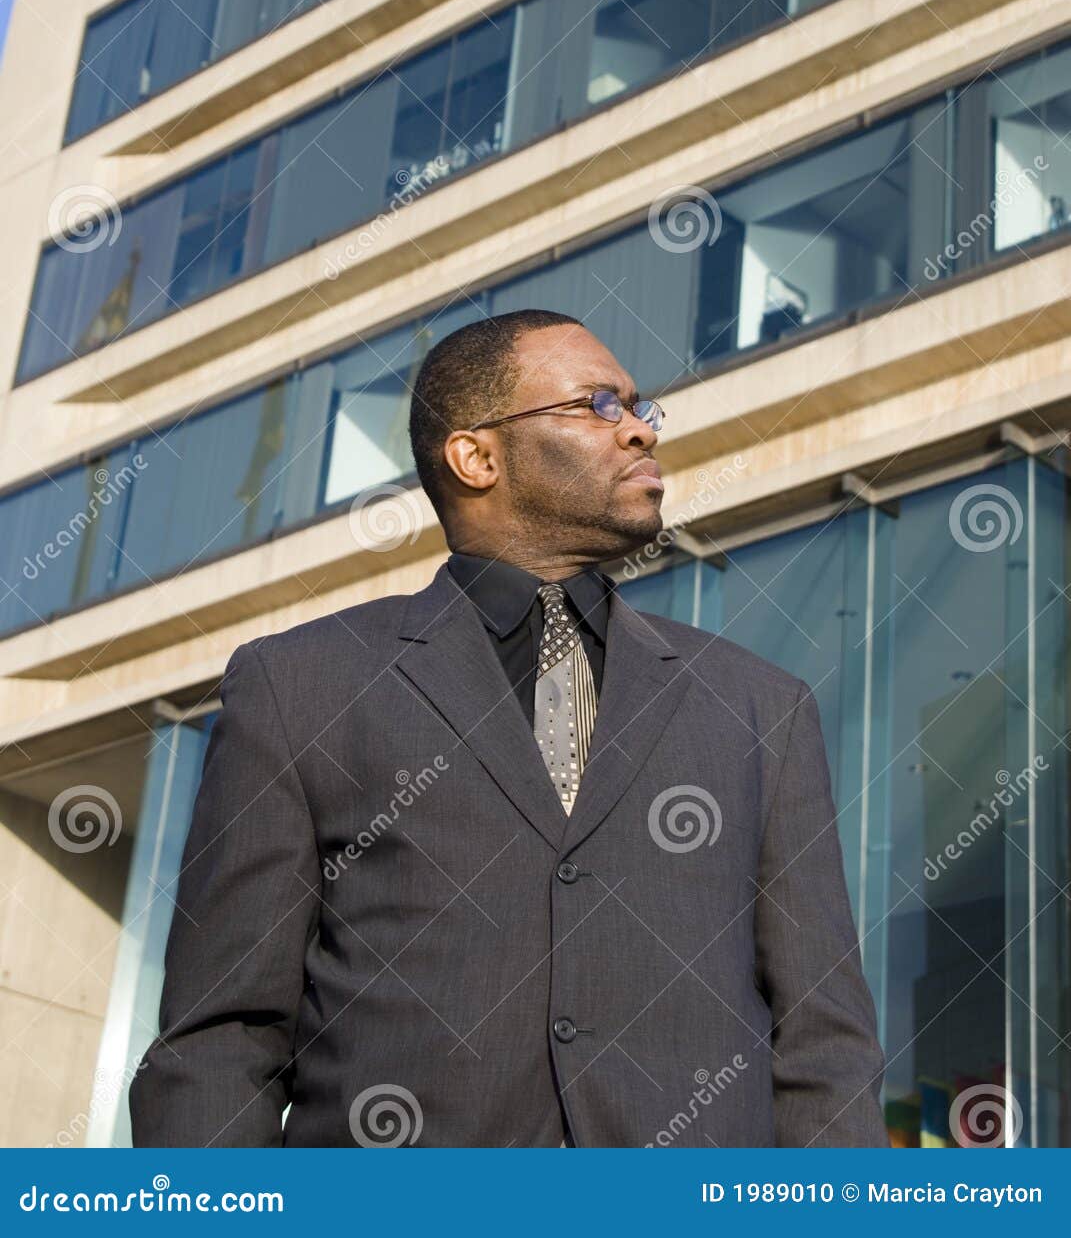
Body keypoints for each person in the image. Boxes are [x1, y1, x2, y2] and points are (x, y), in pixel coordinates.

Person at [129, 309, 888, 1148]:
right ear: (476, 457)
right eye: (597, 405)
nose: (639, 430)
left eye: (639, 407)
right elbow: (221, 1038)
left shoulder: (759, 708)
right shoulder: (300, 686)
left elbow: (824, 1042)